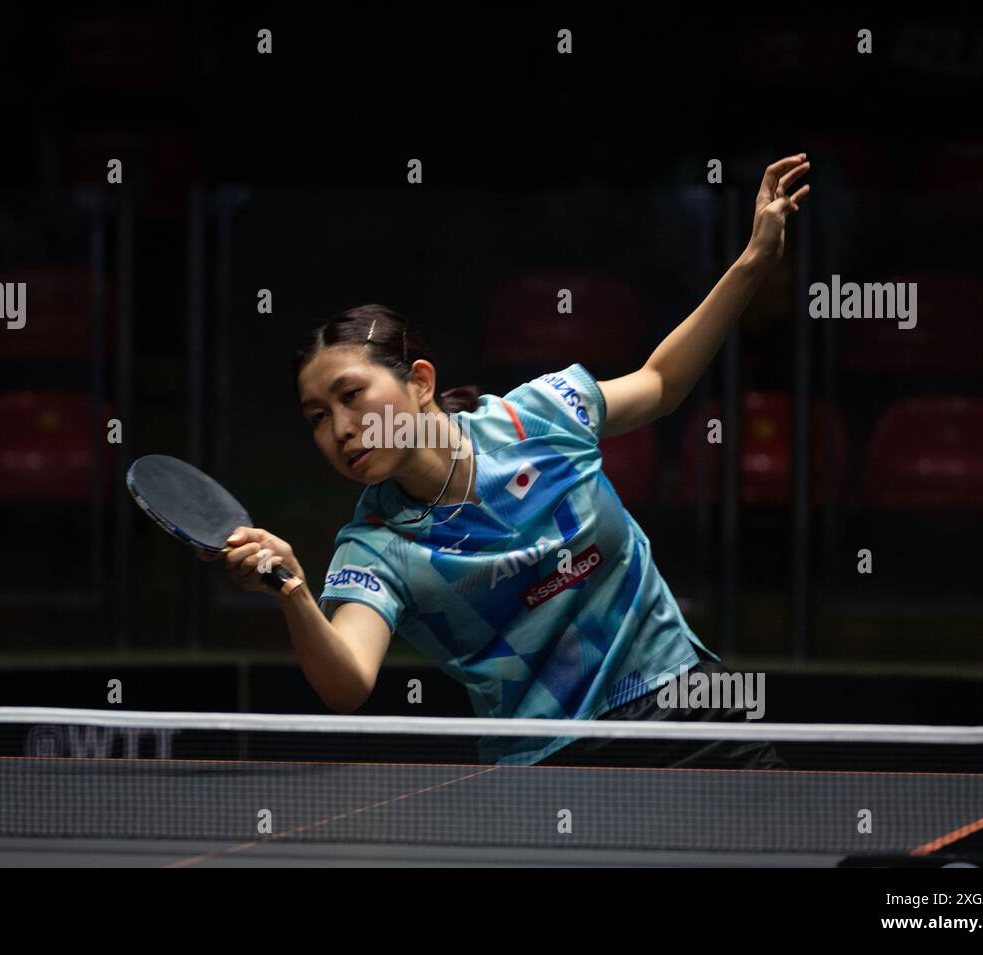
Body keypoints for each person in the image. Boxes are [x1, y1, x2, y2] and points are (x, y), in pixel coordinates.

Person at [211, 155, 810, 767]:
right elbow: (348, 683)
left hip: (687, 703)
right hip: (554, 764)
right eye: (316, 416)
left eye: (351, 395)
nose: (339, 430)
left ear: (419, 382)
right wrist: (292, 591)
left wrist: (754, 260)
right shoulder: (377, 547)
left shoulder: (540, 416)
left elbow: (660, 383)